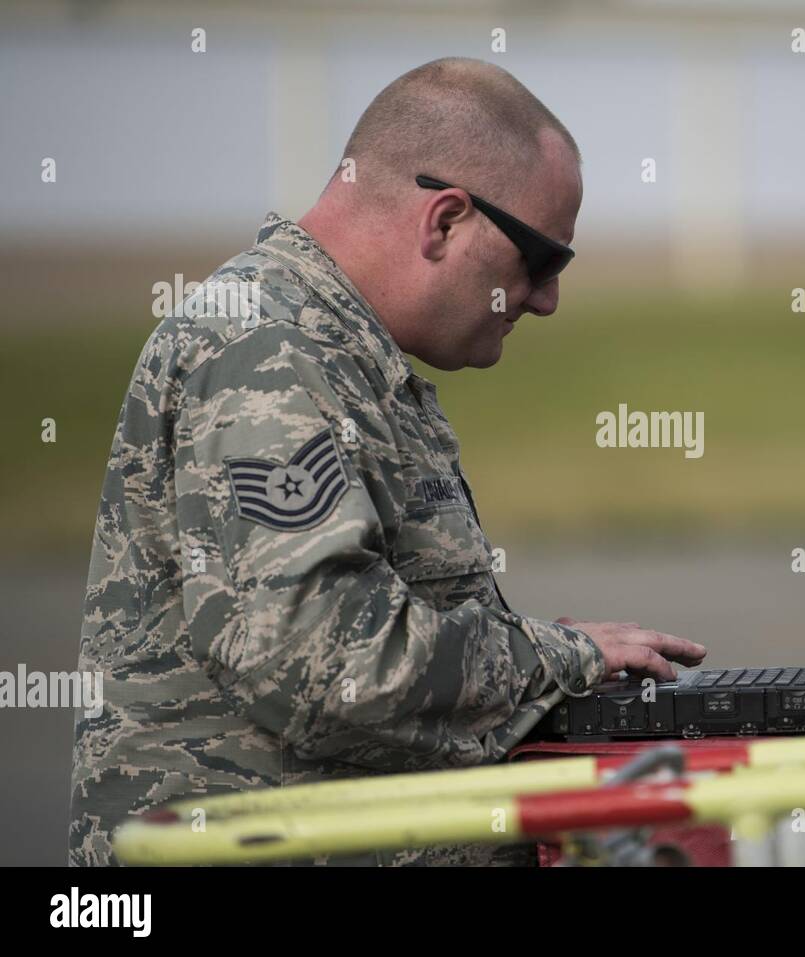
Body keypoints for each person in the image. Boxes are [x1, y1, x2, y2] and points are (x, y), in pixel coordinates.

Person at [69, 56, 706, 866]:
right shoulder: (268, 349)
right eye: (543, 261)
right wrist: (557, 658)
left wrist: (529, 656)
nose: (546, 299)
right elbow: (323, 663)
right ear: (444, 220)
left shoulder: (337, 349)